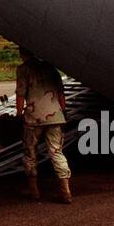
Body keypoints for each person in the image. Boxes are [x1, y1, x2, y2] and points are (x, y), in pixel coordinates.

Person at [14, 47, 72, 203]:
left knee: (30, 153)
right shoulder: (50, 66)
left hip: (34, 118)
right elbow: (61, 93)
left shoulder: (23, 69)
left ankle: (34, 191)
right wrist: (62, 111)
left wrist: (19, 115)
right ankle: (65, 191)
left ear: (22, 54)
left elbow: (20, 94)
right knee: (57, 152)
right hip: (56, 116)